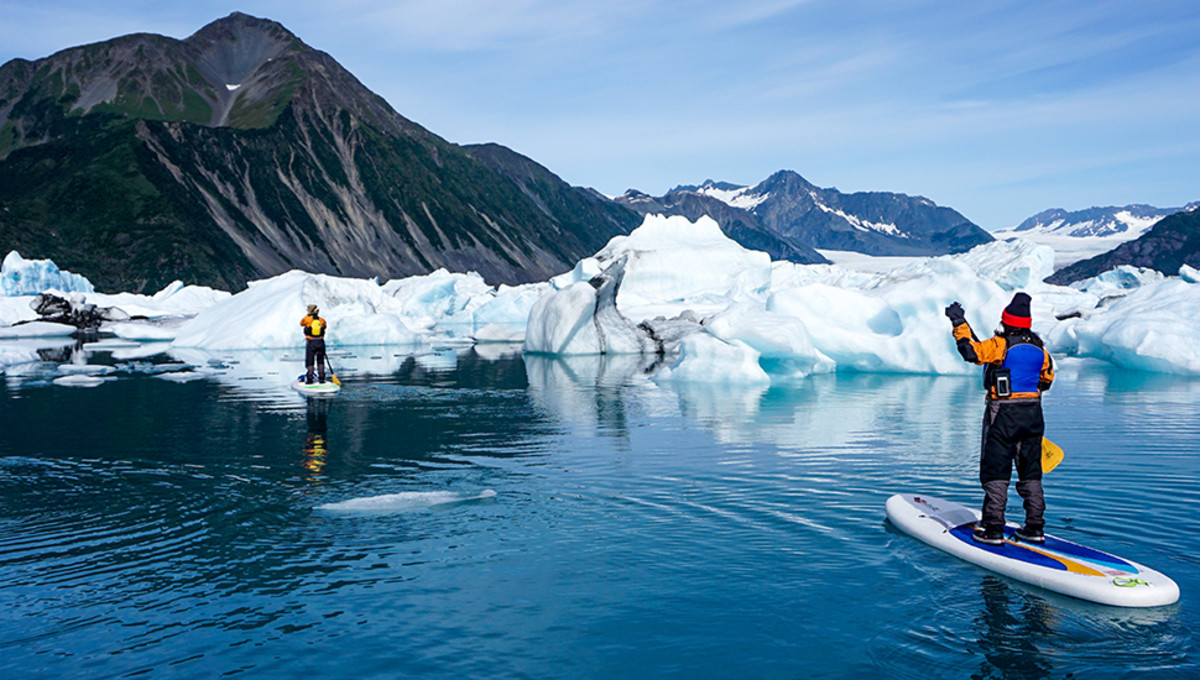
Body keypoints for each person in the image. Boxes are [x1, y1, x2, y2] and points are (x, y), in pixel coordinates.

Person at [945, 292, 1055, 545]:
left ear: (1006, 321)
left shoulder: (1000, 345)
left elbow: (971, 352)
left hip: (1002, 414)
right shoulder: (1041, 350)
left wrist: (957, 323)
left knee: (996, 469)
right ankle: (1034, 528)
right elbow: (1046, 381)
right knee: (1030, 471)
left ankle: (993, 529)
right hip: (1033, 415)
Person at [300, 304, 329, 384]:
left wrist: (308, 317)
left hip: (311, 342)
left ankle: (309, 379)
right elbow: (324, 326)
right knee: (320, 361)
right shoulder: (321, 320)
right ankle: (322, 378)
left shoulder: (307, 319)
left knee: (310, 360)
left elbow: (301, 323)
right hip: (320, 342)